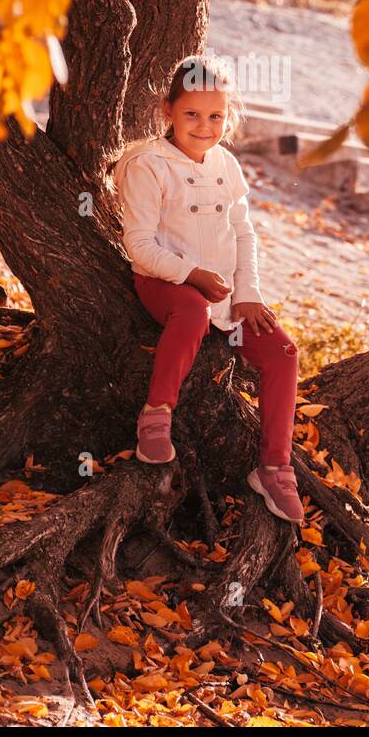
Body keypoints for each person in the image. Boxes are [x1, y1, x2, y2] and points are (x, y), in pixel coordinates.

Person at [112, 55, 304, 523]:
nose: (204, 126)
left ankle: (274, 466)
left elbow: (243, 233)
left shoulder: (226, 164)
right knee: (193, 312)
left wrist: (249, 292)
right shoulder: (149, 166)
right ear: (168, 112)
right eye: (192, 114)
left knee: (283, 352)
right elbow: (139, 246)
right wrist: (192, 274)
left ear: (228, 117)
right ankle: (157, 415)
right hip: (166, 283)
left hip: (226, 296)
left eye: (215, 116)